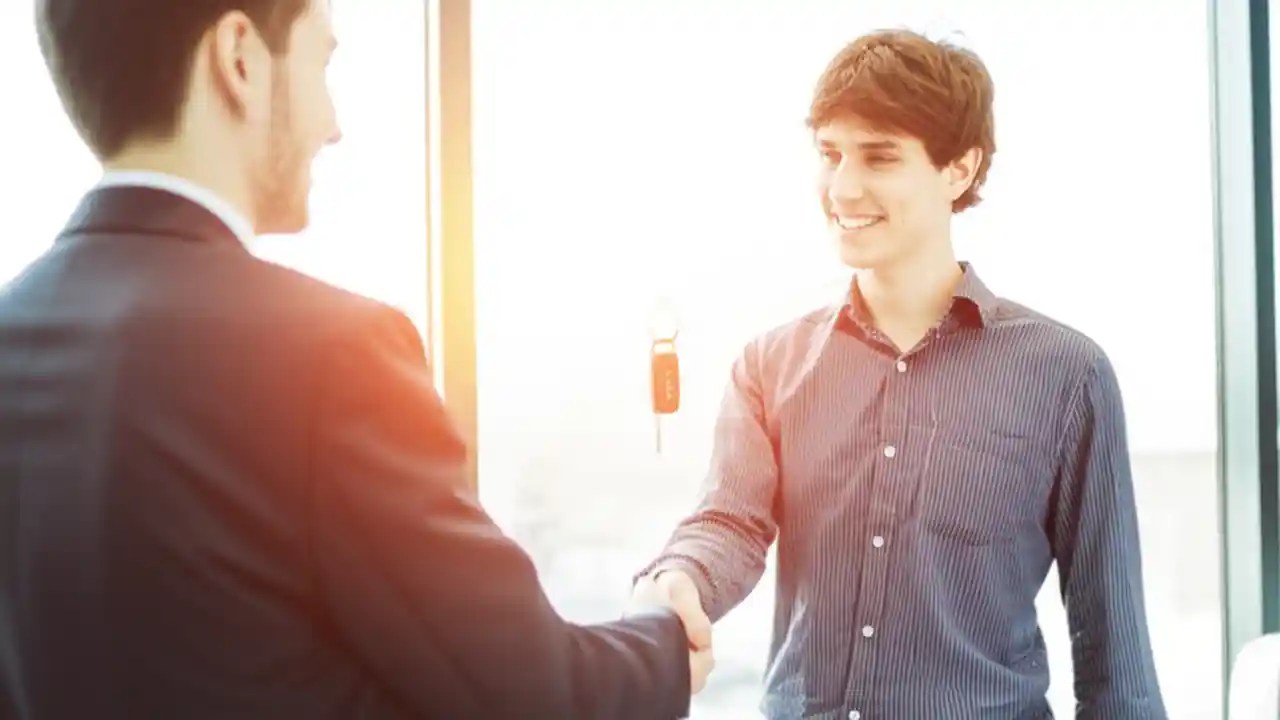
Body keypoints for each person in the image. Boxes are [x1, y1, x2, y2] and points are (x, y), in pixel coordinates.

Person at [0, 1, 711, 717]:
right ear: (240, 59)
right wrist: (663, 636)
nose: (333, 124)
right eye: (323, 62)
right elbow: (533, 695)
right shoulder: (326, 355)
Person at [631, 28, 1167, 719]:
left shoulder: (1066, 376)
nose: (843, 187)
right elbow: (728, 524)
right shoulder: (769, 365)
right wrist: (678, 577)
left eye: (879, 157)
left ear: (959, 169)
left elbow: (1113, 648)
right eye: (830, 155)